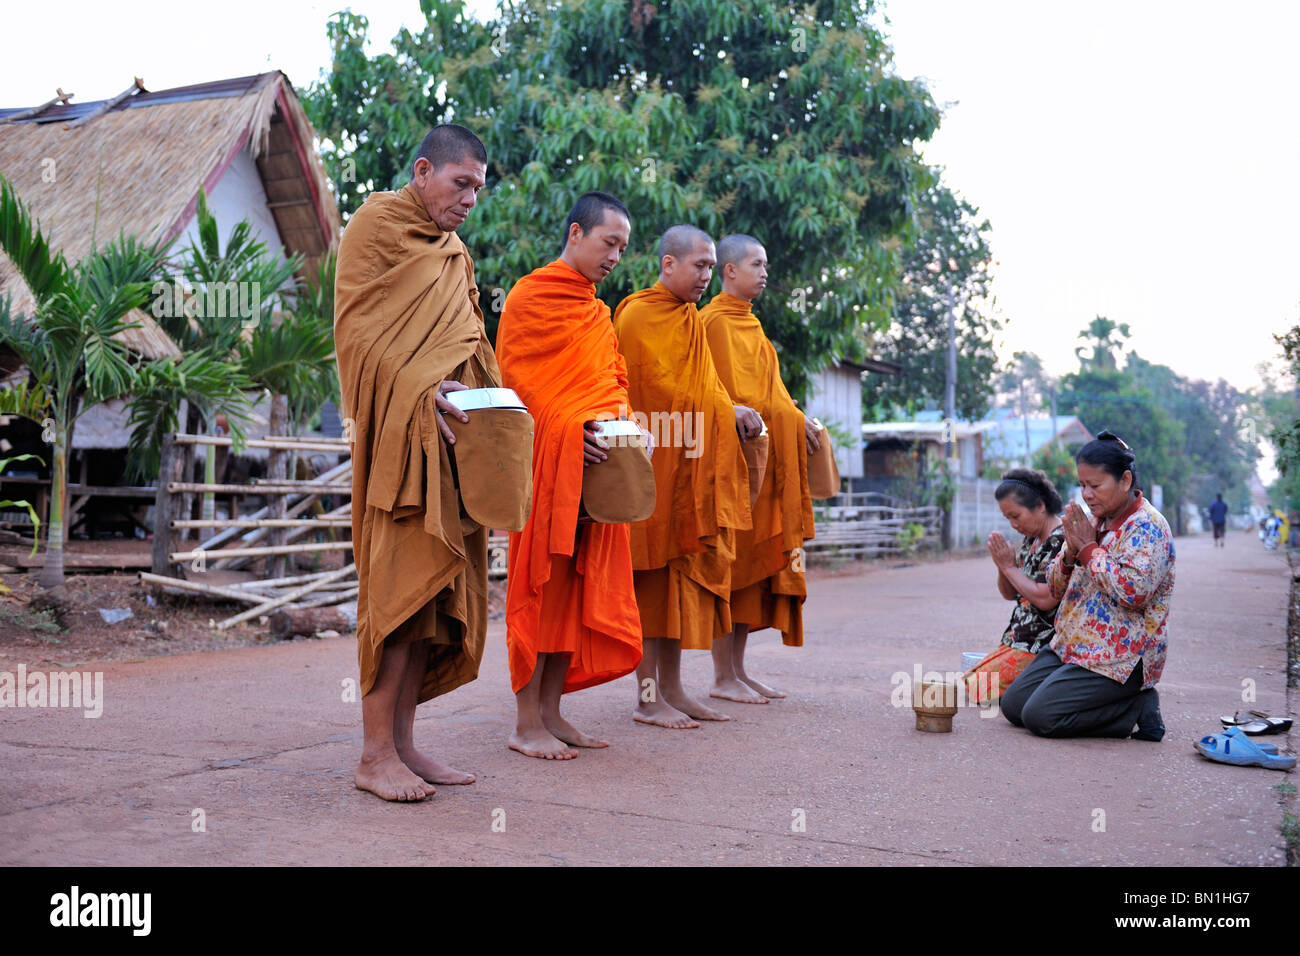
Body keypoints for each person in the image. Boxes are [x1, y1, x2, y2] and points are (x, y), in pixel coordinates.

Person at [335, 124, 501, 801]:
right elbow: (355, 336)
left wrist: (488, 399)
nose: (469, 200)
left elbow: (469, 336)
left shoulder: (454, 252)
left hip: (453, 445)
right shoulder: (376, 226)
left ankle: (403, 746)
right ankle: (374, 755)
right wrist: (420, 388)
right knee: (398, 597)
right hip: (399, 444)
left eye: (479, 190)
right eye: (460, 184)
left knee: (433, 601)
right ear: (423, 169)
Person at [495, 192, 643, 759]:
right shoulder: (531, 296)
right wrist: (567, 427)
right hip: (547, 465)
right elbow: (518, 383)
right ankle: (524, 721)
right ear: (576, 233)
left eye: (623, 249)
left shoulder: (599, 312)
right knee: (540, 585)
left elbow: (614, 381)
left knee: (578, 589)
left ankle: (554, 712)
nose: (614, 257)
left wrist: (622, 427)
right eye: (609, 244)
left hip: (598, 470)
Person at [612, 224, 760, 728]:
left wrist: (729, 408)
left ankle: (674, 690)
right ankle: (647, 698)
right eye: (698, 265)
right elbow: (642, 395)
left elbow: (706, 389)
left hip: (690, 473)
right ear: (668, 263)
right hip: (653, 472)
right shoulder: (635, 315)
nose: (705, 276)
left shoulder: (692, 320)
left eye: (710, 267)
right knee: (650, 591)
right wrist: (717, 409)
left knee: (679, 589)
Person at [699, 234, 817, 703]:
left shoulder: (754, 328)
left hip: (769, 469)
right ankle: (721, 676)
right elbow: (708, 391)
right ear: (729, 271)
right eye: (756, 264)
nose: (765, 272)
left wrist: (797, 416)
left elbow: (774, 393)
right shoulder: (710, 324)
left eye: (766, 264)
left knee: (755, 575)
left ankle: (739, 671)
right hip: (734, 468)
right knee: (730, 570)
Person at [1000, 431, 1173, 740]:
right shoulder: (1093, 521)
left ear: (1125, 480)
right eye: (1082, 485)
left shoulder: (1148, 526)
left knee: (1040, 718)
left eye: (1095, 485)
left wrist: (1089, 551)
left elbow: (1133, 593)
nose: (1087, 494)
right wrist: (1068, 554)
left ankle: (1135, 707)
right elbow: (1053, 587)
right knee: (1013, 707)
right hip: (1073, 646)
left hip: (1119, 657)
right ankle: (1118, 704)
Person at [970, 468, 1065, 703]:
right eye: (1008, 519)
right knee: (973, 678)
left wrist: (1010, 568)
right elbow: (1009, 593)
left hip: (1043, 644)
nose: (1013, 524)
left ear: (1040, 506)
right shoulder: (1032, 540)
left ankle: (1048, 684)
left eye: (1016, 516)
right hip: (1020, 639)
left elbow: (1045, 599)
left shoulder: (1061, 541)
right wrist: (1003, 566)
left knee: (980, 687)